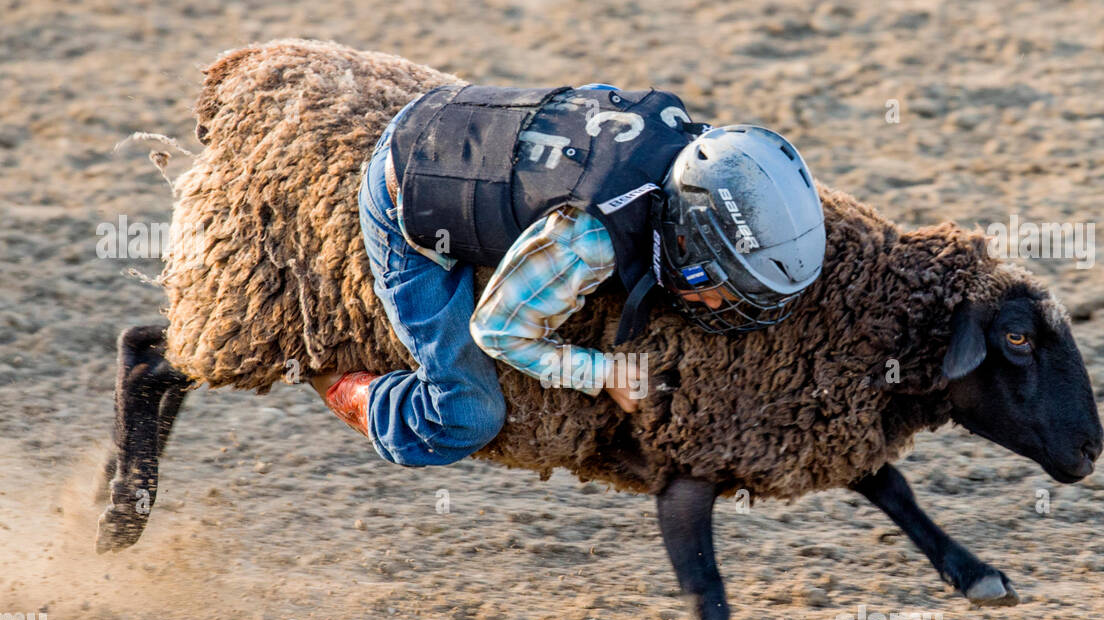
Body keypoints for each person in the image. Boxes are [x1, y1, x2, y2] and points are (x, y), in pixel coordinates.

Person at [311, 82, 826, 466]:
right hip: (405, 188)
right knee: (464, 417)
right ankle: (339, 386)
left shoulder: (677, 133)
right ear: (684, 236)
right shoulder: (587, 240)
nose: (716, 304)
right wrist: (604, 373)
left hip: (453, 112)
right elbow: (497, 331)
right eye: (713, 287)